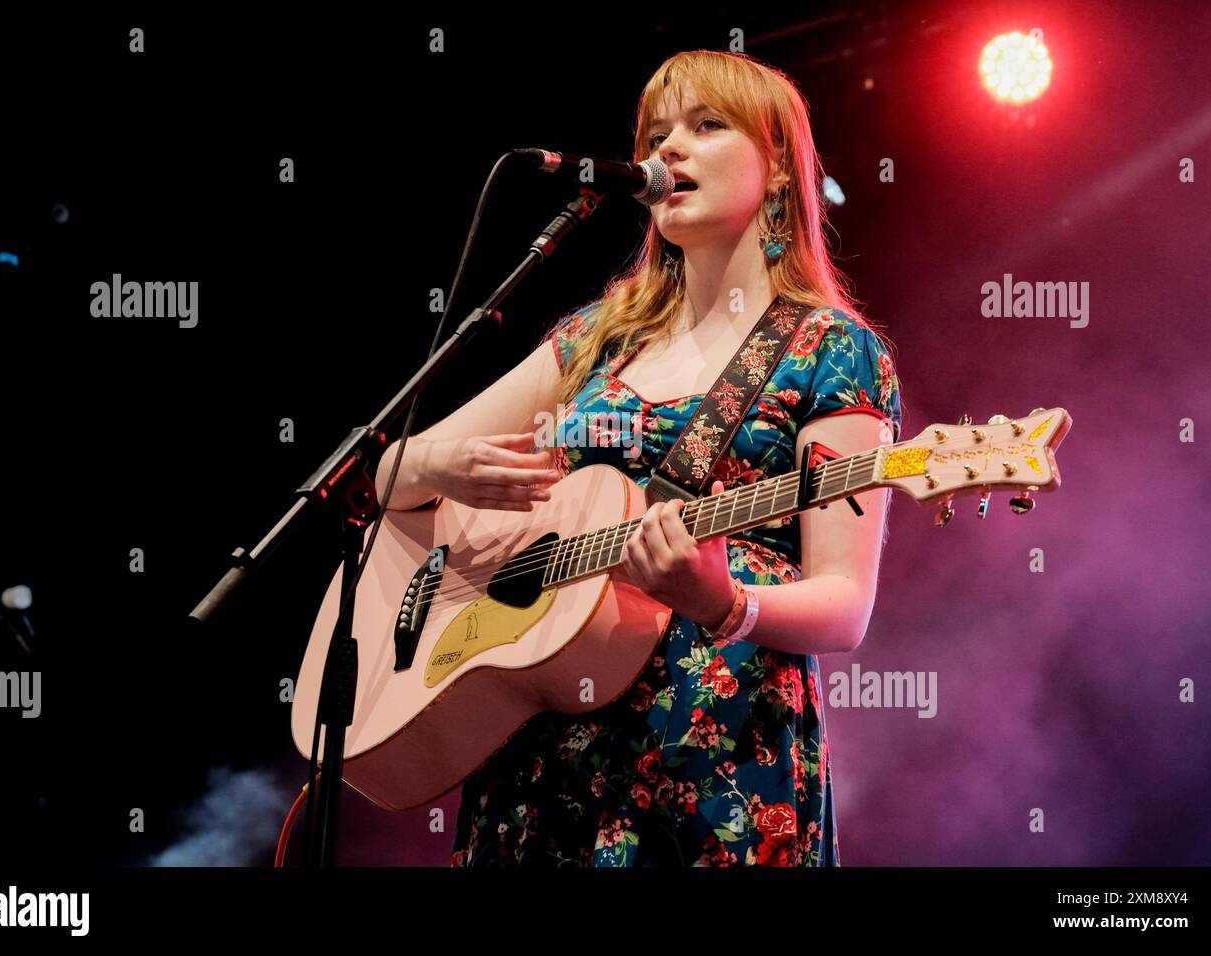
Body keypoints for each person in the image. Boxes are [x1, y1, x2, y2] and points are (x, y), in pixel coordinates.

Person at [374, 49, 902, 866]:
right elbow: (385, 471)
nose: (669, 151)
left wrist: (727, 603)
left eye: (706, 126)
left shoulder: (830, 350)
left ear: (780, 175)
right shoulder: (601, 335)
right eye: (656, 134)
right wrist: (441, 470)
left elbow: (846, 605)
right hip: (542, 753)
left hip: (714, 751)